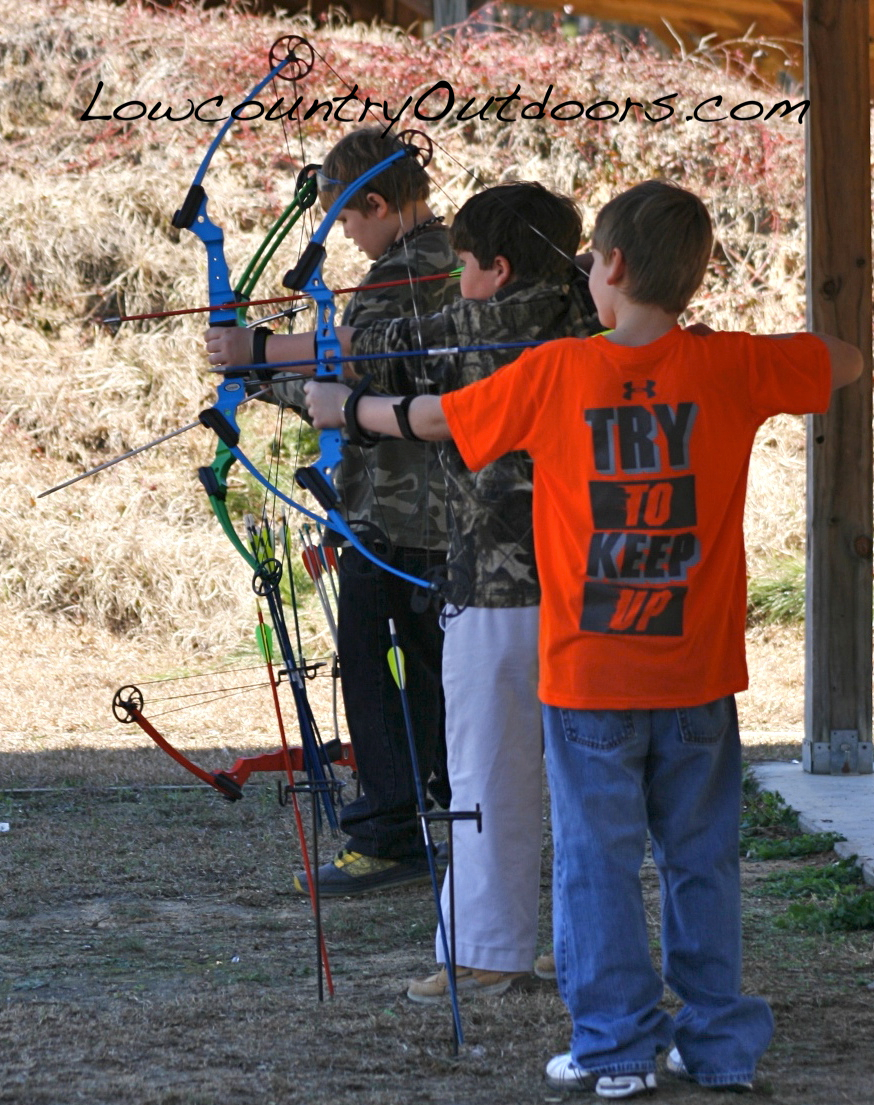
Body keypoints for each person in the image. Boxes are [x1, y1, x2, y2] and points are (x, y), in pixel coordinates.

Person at [303, 180, 863, 1094]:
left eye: (592, 263)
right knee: (700, 860)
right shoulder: (731, 368)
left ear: (610, 267)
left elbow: (444, 419)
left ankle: (613, 1047)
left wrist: (348, 412)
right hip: (696, 678)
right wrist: (726, 347)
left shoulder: (558, 369)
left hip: (591, 677)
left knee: (597, 867)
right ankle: (718, 1045)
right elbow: (841, 358)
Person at [209, 180, 602, 998]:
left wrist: (249, 360)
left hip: (500, 591)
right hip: (598, 587)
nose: (456, 280)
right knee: (591, 780)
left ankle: (489, 951)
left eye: (463, 264)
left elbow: (363, 352)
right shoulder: (595, 314)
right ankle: (584, 947)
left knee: (489, 770)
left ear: (495, 270)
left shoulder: (470, 328)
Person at [217, 128, 461, 895]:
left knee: (374, 668)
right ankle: (440, 811)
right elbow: (348, 389)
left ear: (380, 204)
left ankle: (392, 834)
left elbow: (363, 364)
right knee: (427, 672)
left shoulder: (410, 274)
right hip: (423, 515)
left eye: (348, 221)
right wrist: (263, 375)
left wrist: (258, 356)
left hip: (401, 519)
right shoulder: (444, 260)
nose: (346, 238)